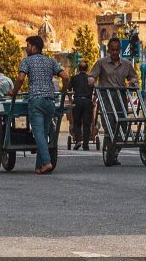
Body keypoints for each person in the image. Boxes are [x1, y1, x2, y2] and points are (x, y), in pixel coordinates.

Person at [10, 35, 69, 174]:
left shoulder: (27, 61)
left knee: (38, 134)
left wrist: (13, 91)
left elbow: (20, 78)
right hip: (50, 101)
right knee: (43, 133)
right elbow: (66, 77)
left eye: (28, 46)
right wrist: (63, 91)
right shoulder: (51, 61)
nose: (26, 49)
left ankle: (47, 163)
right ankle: (39, 167)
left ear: (34, 47)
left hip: (36, 101)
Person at [69, 60, 95, 150]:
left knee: (76, 122)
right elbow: (95, 91)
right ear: (87, 69)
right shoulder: (90, 79)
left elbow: (69, 91)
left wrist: (70, 100)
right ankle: (86, 145)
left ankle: (78, 140)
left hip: (77, 101)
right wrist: (93, 101)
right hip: (88, 101)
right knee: (87, 123)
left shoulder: (74, 78)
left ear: (79, 68)